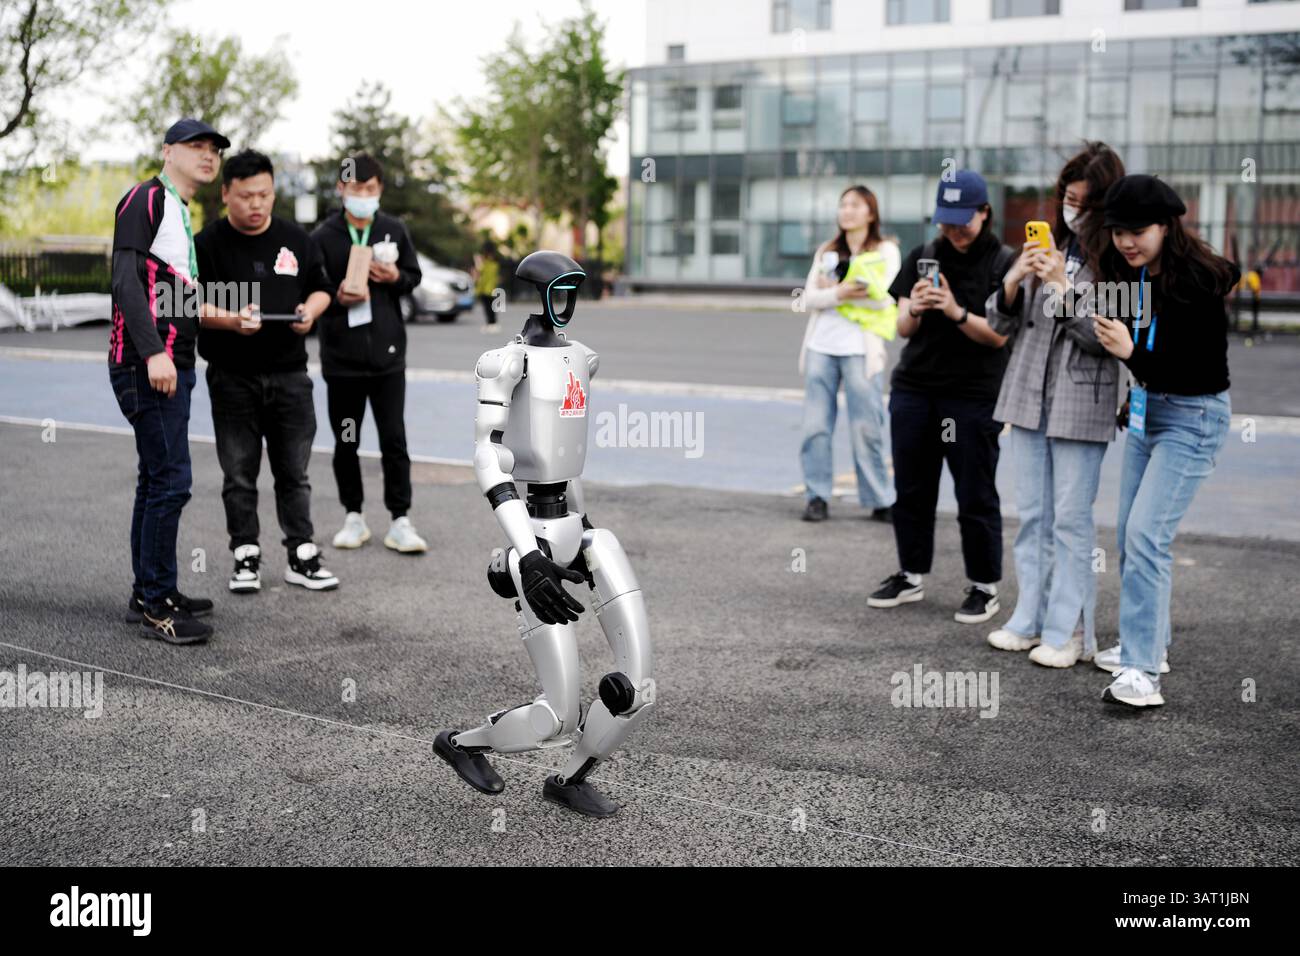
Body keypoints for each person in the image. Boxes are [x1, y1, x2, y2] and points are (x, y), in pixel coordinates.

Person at [434, 251, 655, 818]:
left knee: (638, 685)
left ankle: (571, 777)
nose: (567, 302)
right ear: (536, 291)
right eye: (559, 290)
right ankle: (461, 744)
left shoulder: (584, 359)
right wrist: (528, 557)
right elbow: (489, 459)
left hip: (577, 527)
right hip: (529, 535)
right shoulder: (504, 363)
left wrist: (579, 528)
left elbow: (565, 464)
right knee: (555, 715)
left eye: (573, 290)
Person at [1091, 174, 1236, 708]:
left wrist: (1131, 353)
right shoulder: (1139, 274)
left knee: (1149, 535)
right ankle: (1147, 642)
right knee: (1132, 534)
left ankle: (1143, 672)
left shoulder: (1196, 279)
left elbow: (1194, 370)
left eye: (1137, 230)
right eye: (1118, 231)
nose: (1126, 241)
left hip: (1193, 418)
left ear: (1165, 225)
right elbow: (1080, 316)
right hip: (1150, 416)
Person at [983, 143, 1127, 668]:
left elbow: (1104, 338)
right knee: (1033, 516)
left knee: (1070, 521)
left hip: (1081, 402)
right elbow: (998, 326)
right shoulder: (1050, 249)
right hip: (1027, 398)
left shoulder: (1118, 260)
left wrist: (1063, 289)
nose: (1073, 210)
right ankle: (1029, 617)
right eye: (1068, 199)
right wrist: (1015, 278)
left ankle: (1068, 632)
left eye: (1085, 203)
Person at [109, 117, 245, 645]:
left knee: (155, 480)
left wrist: (230, 315)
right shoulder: (145, 199)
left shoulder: (177, 211)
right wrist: (153, 354)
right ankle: (158, 606)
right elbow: (125, 280)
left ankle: (148, 590)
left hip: (171, 363)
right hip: (151, 367)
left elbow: (172, 296)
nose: (208, 155)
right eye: (196, 146)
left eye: (214, 148)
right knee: (171, 482)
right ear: (168, 151)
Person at [868, 170, 1016, 625]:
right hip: (915, 389)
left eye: (962, 221)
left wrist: (953, 311)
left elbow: (996, 336)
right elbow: (902, 329)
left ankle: (984, 585)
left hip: (973, 395)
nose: (953, 231)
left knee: (974, 492)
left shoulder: (1003, 263)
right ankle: (910, 574)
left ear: (984, 213)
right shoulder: (923, 255)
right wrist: (914, 306)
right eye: (946, 221)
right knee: (911, 488)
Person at [195, 149, 339, 595]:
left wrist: (309, 311)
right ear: (225, 194)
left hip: (290, 375)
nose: (256, 204)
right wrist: (231, 319)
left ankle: (301, 553)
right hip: (231, 376)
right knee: (239, 473)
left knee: (294, 472)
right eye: (245, 196)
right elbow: (183, 302)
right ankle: (246, 555)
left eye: (265, 194)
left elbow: (322, 288)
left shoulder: (296, 238)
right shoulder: (206, 244)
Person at [311, 153, 427, 554]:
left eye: (371, 189)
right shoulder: (323, 237)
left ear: (379, 190)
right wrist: (336, 296)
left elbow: (413, 277)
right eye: (356, 188)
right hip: (341, 361)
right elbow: (313, 291)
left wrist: (395, 277)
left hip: (388, 359)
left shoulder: (393, 229)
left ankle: (400, 520)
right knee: (347, 439)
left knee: (394, 438)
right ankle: (353, 516)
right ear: (341, 189)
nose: (363, 195)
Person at [797, 185, 899, 523]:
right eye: (843, 205)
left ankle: (880, 498)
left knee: (866, 425)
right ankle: (816, 496)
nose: (847, 211)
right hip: (821, 347)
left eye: (855, 205)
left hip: (860, 348)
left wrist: (837, 293)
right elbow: (806, 298)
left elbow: (885, 298)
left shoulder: (886, 250)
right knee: (815, 426)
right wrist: (842, 292)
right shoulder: (827, 250)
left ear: (871, 212)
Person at [473, 240, 501, 334]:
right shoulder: (493, 261)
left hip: (488, 288)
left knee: (489, 307)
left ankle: (493, 324)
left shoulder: (489, 262)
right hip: (487, 287)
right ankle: (490, 323)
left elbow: (481, 271)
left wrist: (478, 262)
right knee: (488, 307)